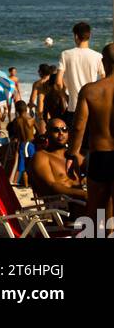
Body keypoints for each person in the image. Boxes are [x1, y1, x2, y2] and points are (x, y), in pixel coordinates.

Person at [68, 41, 114, 227]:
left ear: (104, 62)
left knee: (96, 211)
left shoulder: (90, 90)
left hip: (100, 155)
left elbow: (78, 127)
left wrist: (72, 153)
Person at [28, 119, 85, 210]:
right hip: (64, 208)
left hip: (82, 203)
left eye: (64, 129)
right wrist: (83, 194)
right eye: (56, 130)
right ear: (47, 134)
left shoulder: (73, 155)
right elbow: (51, 186)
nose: (61, 133)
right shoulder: (41, 157)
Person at [56, 23, 105, 126]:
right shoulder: (97, 56)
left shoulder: (65, 54)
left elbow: (58, 83)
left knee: (75, 140)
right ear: (89, 35)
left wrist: (64, 96)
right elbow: (104, 79)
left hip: (73, 106)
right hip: (92, 106)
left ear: (76, 36)